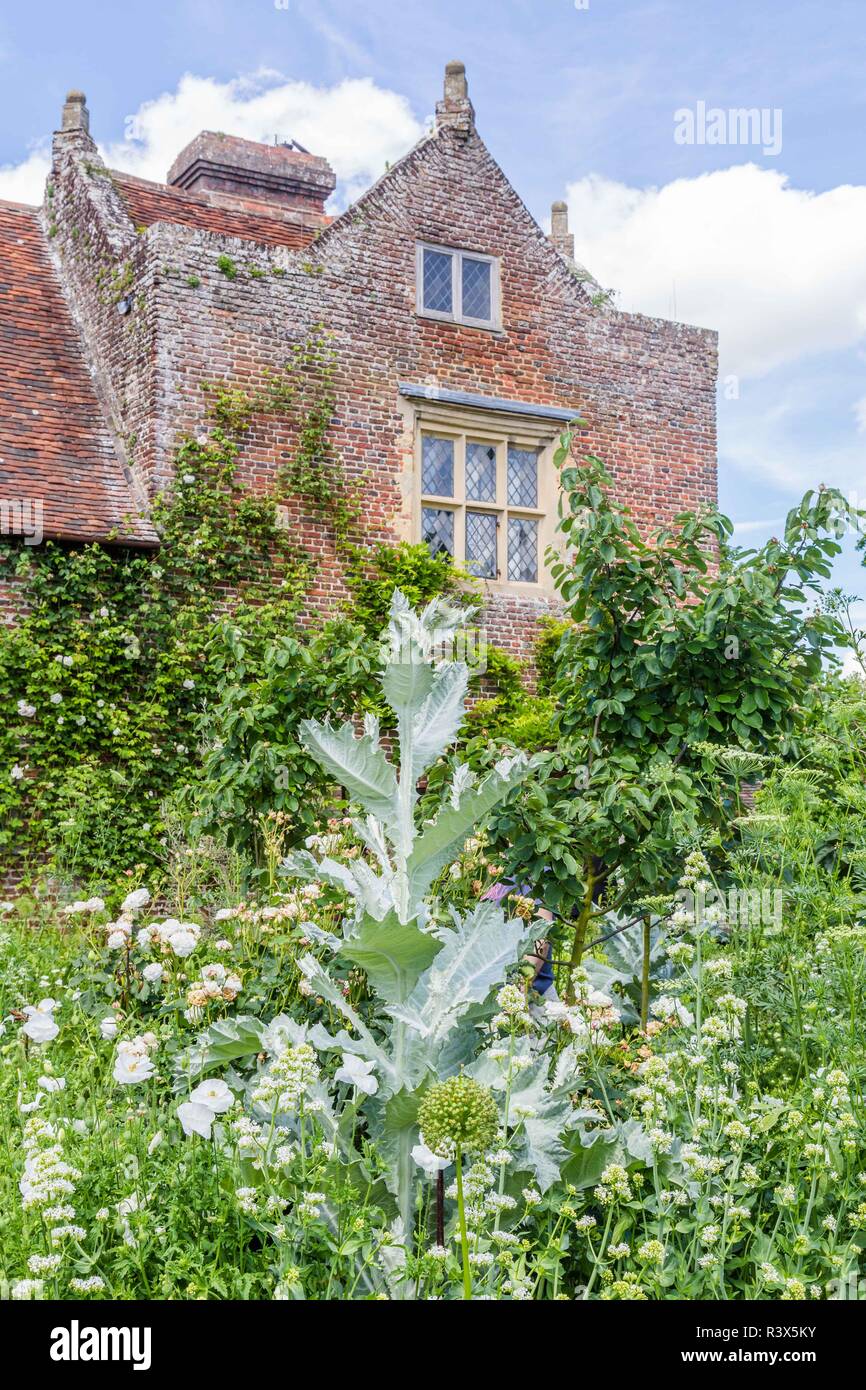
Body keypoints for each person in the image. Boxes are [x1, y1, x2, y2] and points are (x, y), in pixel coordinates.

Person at [481, 878, 559, 1001]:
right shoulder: (501, 871)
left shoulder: (532, 871)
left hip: (530, 999)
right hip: (494, 994)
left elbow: (540, 932)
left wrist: (521, 988)